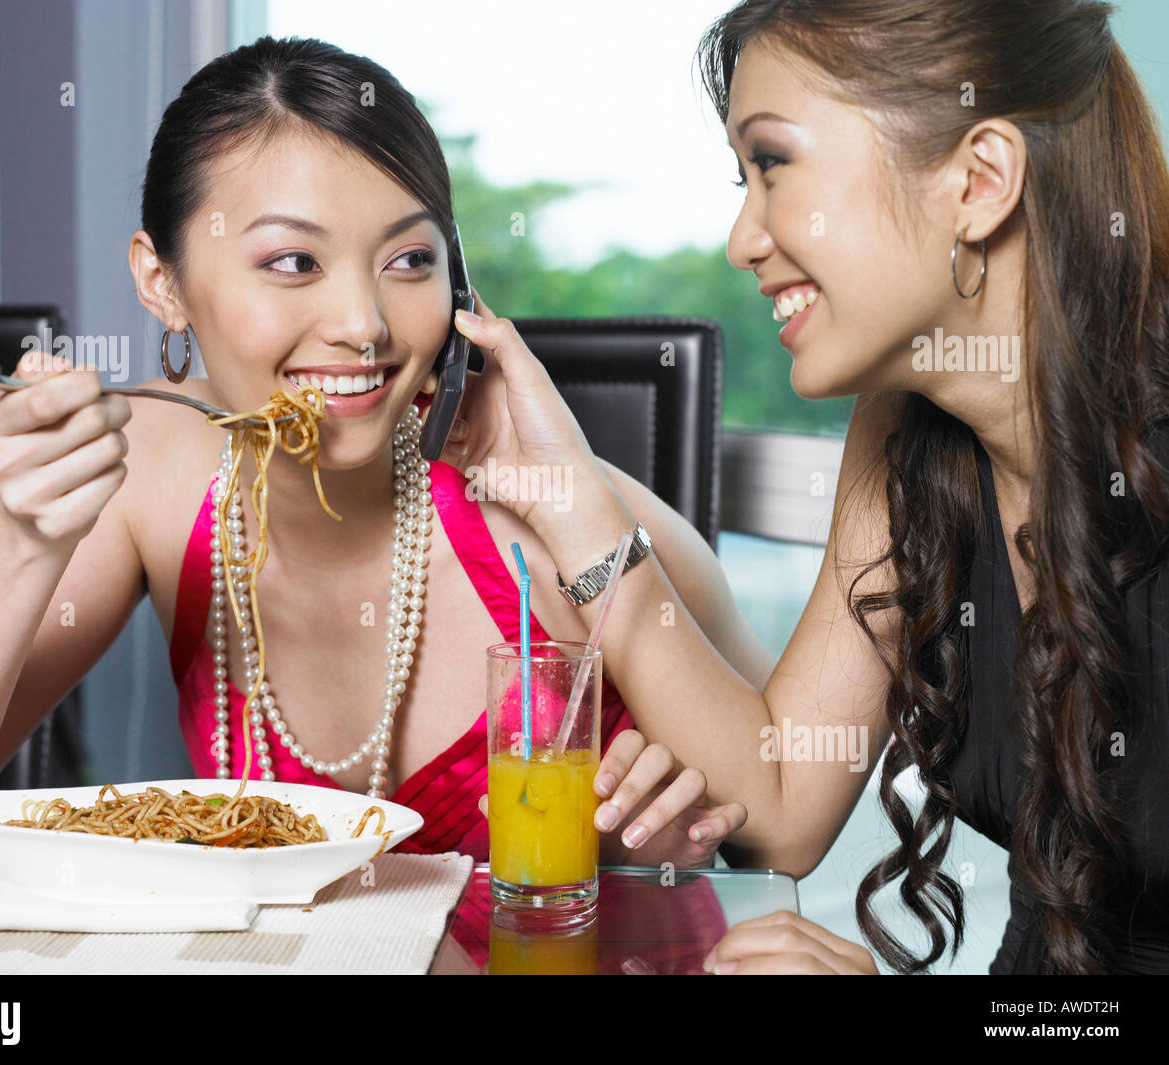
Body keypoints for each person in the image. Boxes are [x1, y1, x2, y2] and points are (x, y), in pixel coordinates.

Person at [0, 37, 763, 871]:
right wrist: (18, 532)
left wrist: (661, 859)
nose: (363, 326)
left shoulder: (573, 520)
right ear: (161, 281)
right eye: (294, 262)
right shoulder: (148, 470)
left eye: (409, 259)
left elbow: (776, 825)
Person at [443, 0, 1169, 974]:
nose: (743, 239)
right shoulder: (904, 435)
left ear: (979, 180)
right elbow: (779, 802)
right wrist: (568, 493)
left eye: (774, 166)